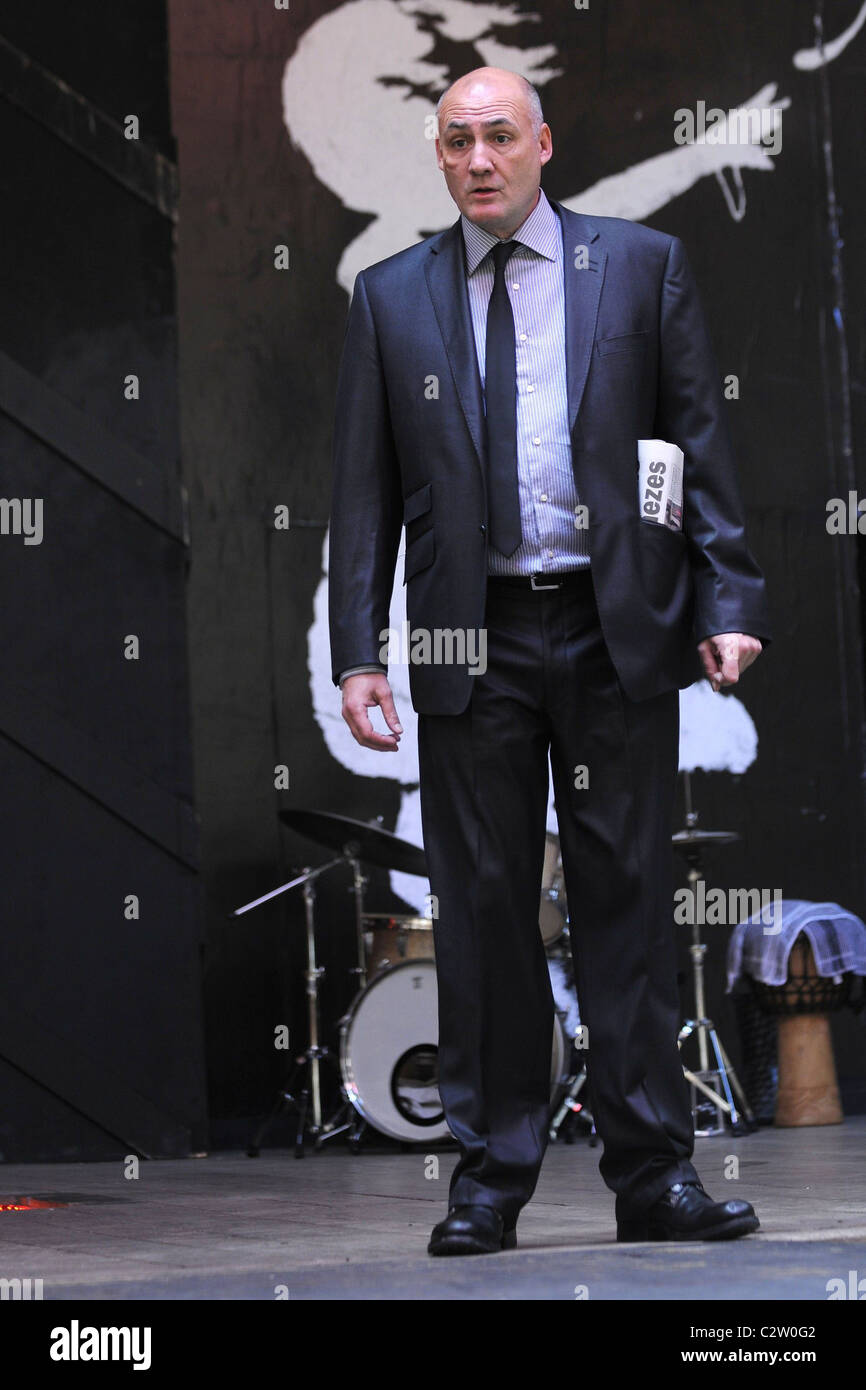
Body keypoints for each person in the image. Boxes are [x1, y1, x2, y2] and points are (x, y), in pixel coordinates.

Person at [328, 67, 771, 1255]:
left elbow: (695, 440)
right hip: (470, 631)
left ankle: (653, 1178)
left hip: (610, 618)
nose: (476, 161)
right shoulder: (389, 297)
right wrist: (357, 655)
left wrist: (723, 599)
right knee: (480, 912)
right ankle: (488, 1178)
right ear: (439, 157)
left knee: (624, 901)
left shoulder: (635, 265)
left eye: (497, 139)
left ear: (542, 146)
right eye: (455, 142)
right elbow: (362, 493)